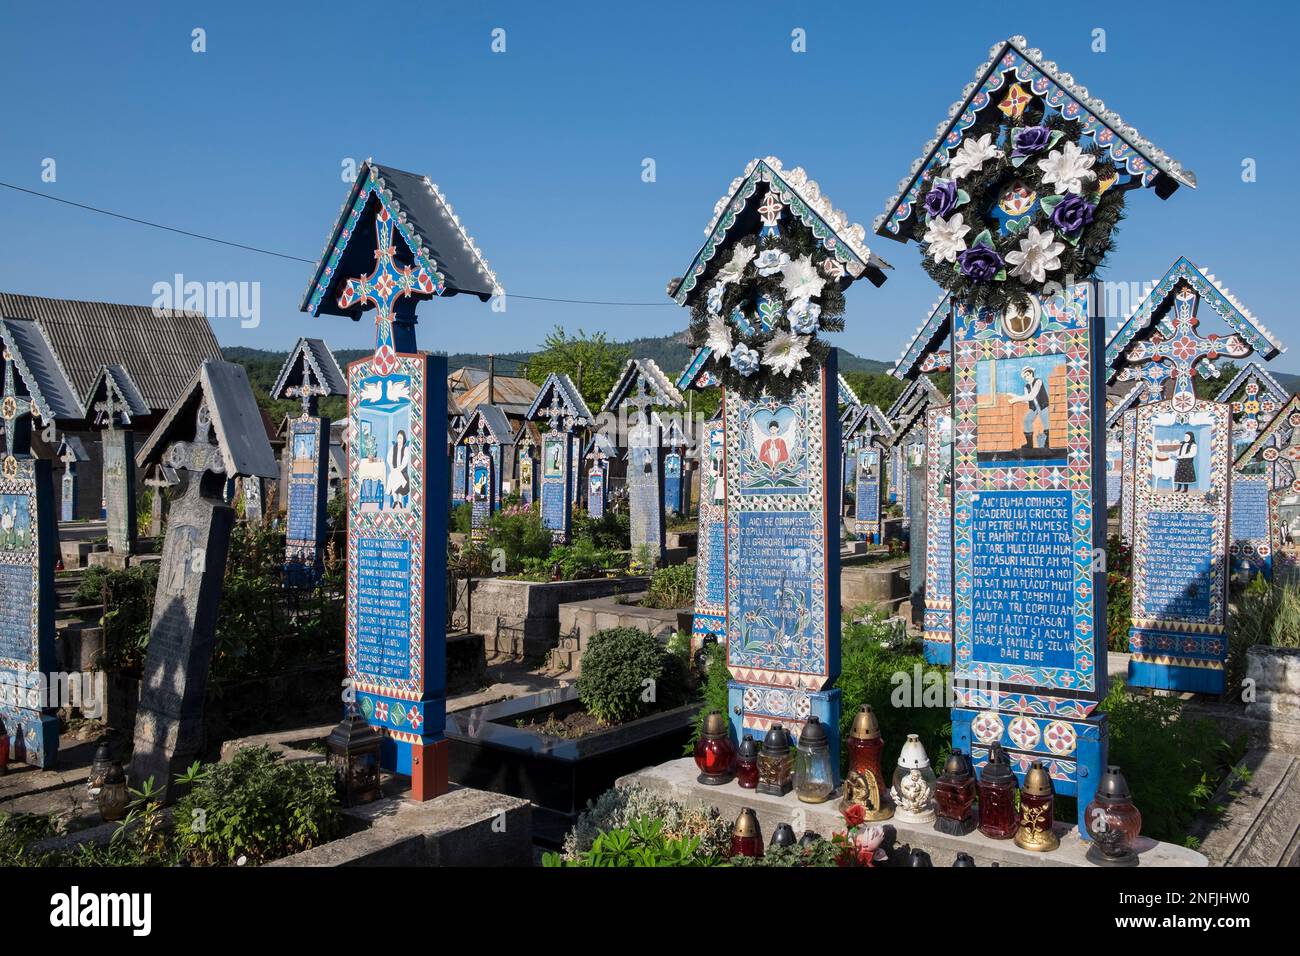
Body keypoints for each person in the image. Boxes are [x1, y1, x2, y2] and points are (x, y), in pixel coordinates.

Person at [1006, 366, 1049, 450]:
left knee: (1046, 423)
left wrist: (1015, 399)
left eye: (1027, 375)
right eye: (1025, 376)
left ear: (1032, 374)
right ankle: (1029, 444)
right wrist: (1014, 396)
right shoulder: (1026, 386)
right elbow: (1027, 399)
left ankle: (1047, 444)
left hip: (1042, 405)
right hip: (1034, 407)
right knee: (1027, 420)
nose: (1026, 377)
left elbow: (1031, 396)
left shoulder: (1038, 381)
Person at [386, 429, 410, 508]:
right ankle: (395, 500)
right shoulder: (393, 447)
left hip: (402, 471)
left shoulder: (405, 448)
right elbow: (389, 457)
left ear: (404, 439)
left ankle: (399, 501)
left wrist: (399, 469)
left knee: (399, 477)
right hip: (394, 470)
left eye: (401, 438)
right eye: (398, 438)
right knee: (392, 476)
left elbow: (405, 461)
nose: (399, 440)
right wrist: (392, 467)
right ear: (397, 438)